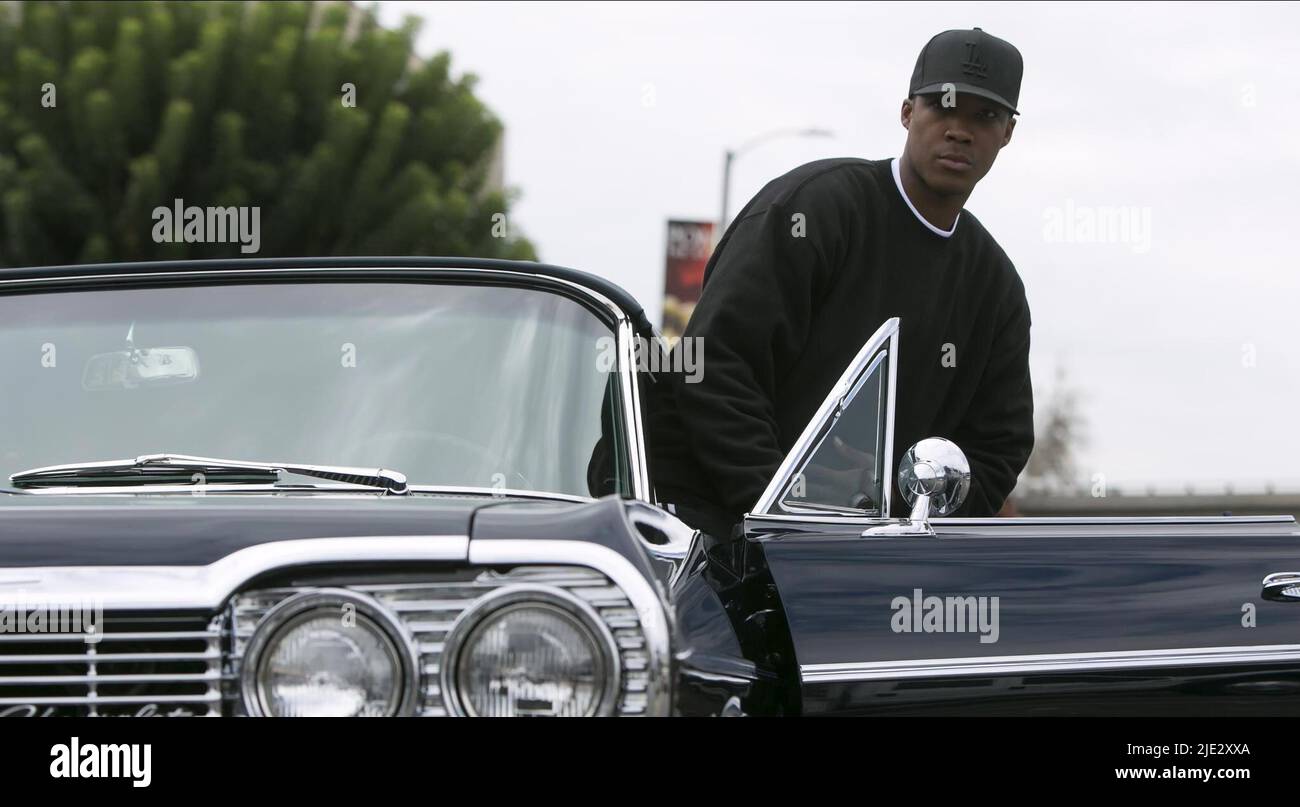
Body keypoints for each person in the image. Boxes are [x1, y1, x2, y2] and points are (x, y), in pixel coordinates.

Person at [647, 27, 1034, 538]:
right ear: (907, 112)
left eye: (984, 116)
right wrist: (785, 509)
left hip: (865, 567)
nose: (960, 130)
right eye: (943, 107)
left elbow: (996, 449)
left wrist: (898, 516)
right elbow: (714, 367)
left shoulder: (996, 287)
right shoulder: (814, 210)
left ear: (1007, 131)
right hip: (712, 534)